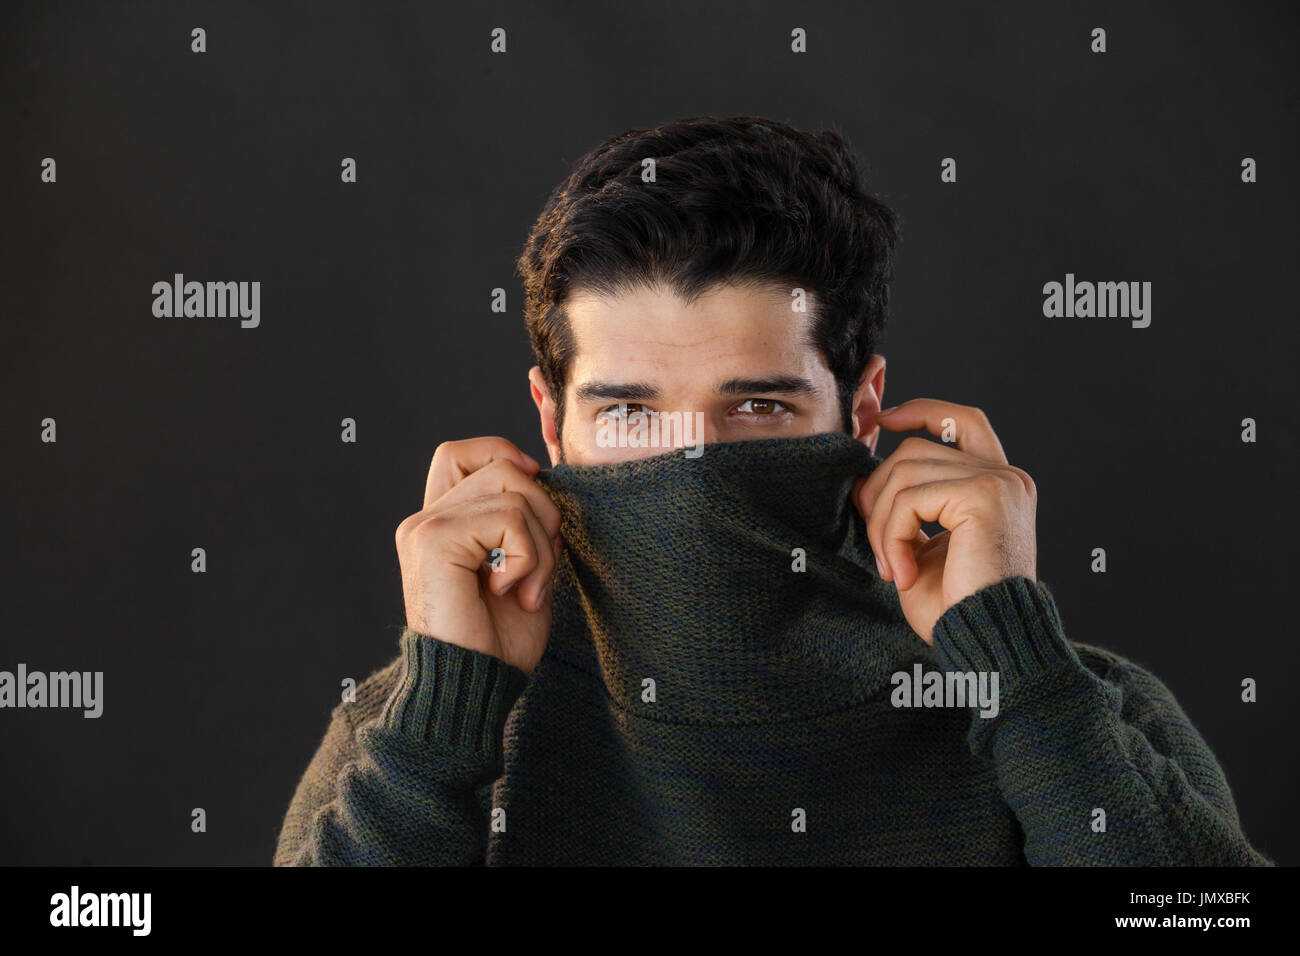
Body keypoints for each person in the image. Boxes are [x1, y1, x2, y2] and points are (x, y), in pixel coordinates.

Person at [274, 115, 1271, 865]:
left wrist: (1015, 665)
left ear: (862, 407)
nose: (695, 461)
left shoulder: (1076, 711)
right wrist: (445, 721)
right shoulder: (405, 736)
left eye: (756, 408)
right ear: (549, 422)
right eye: (629, 414)